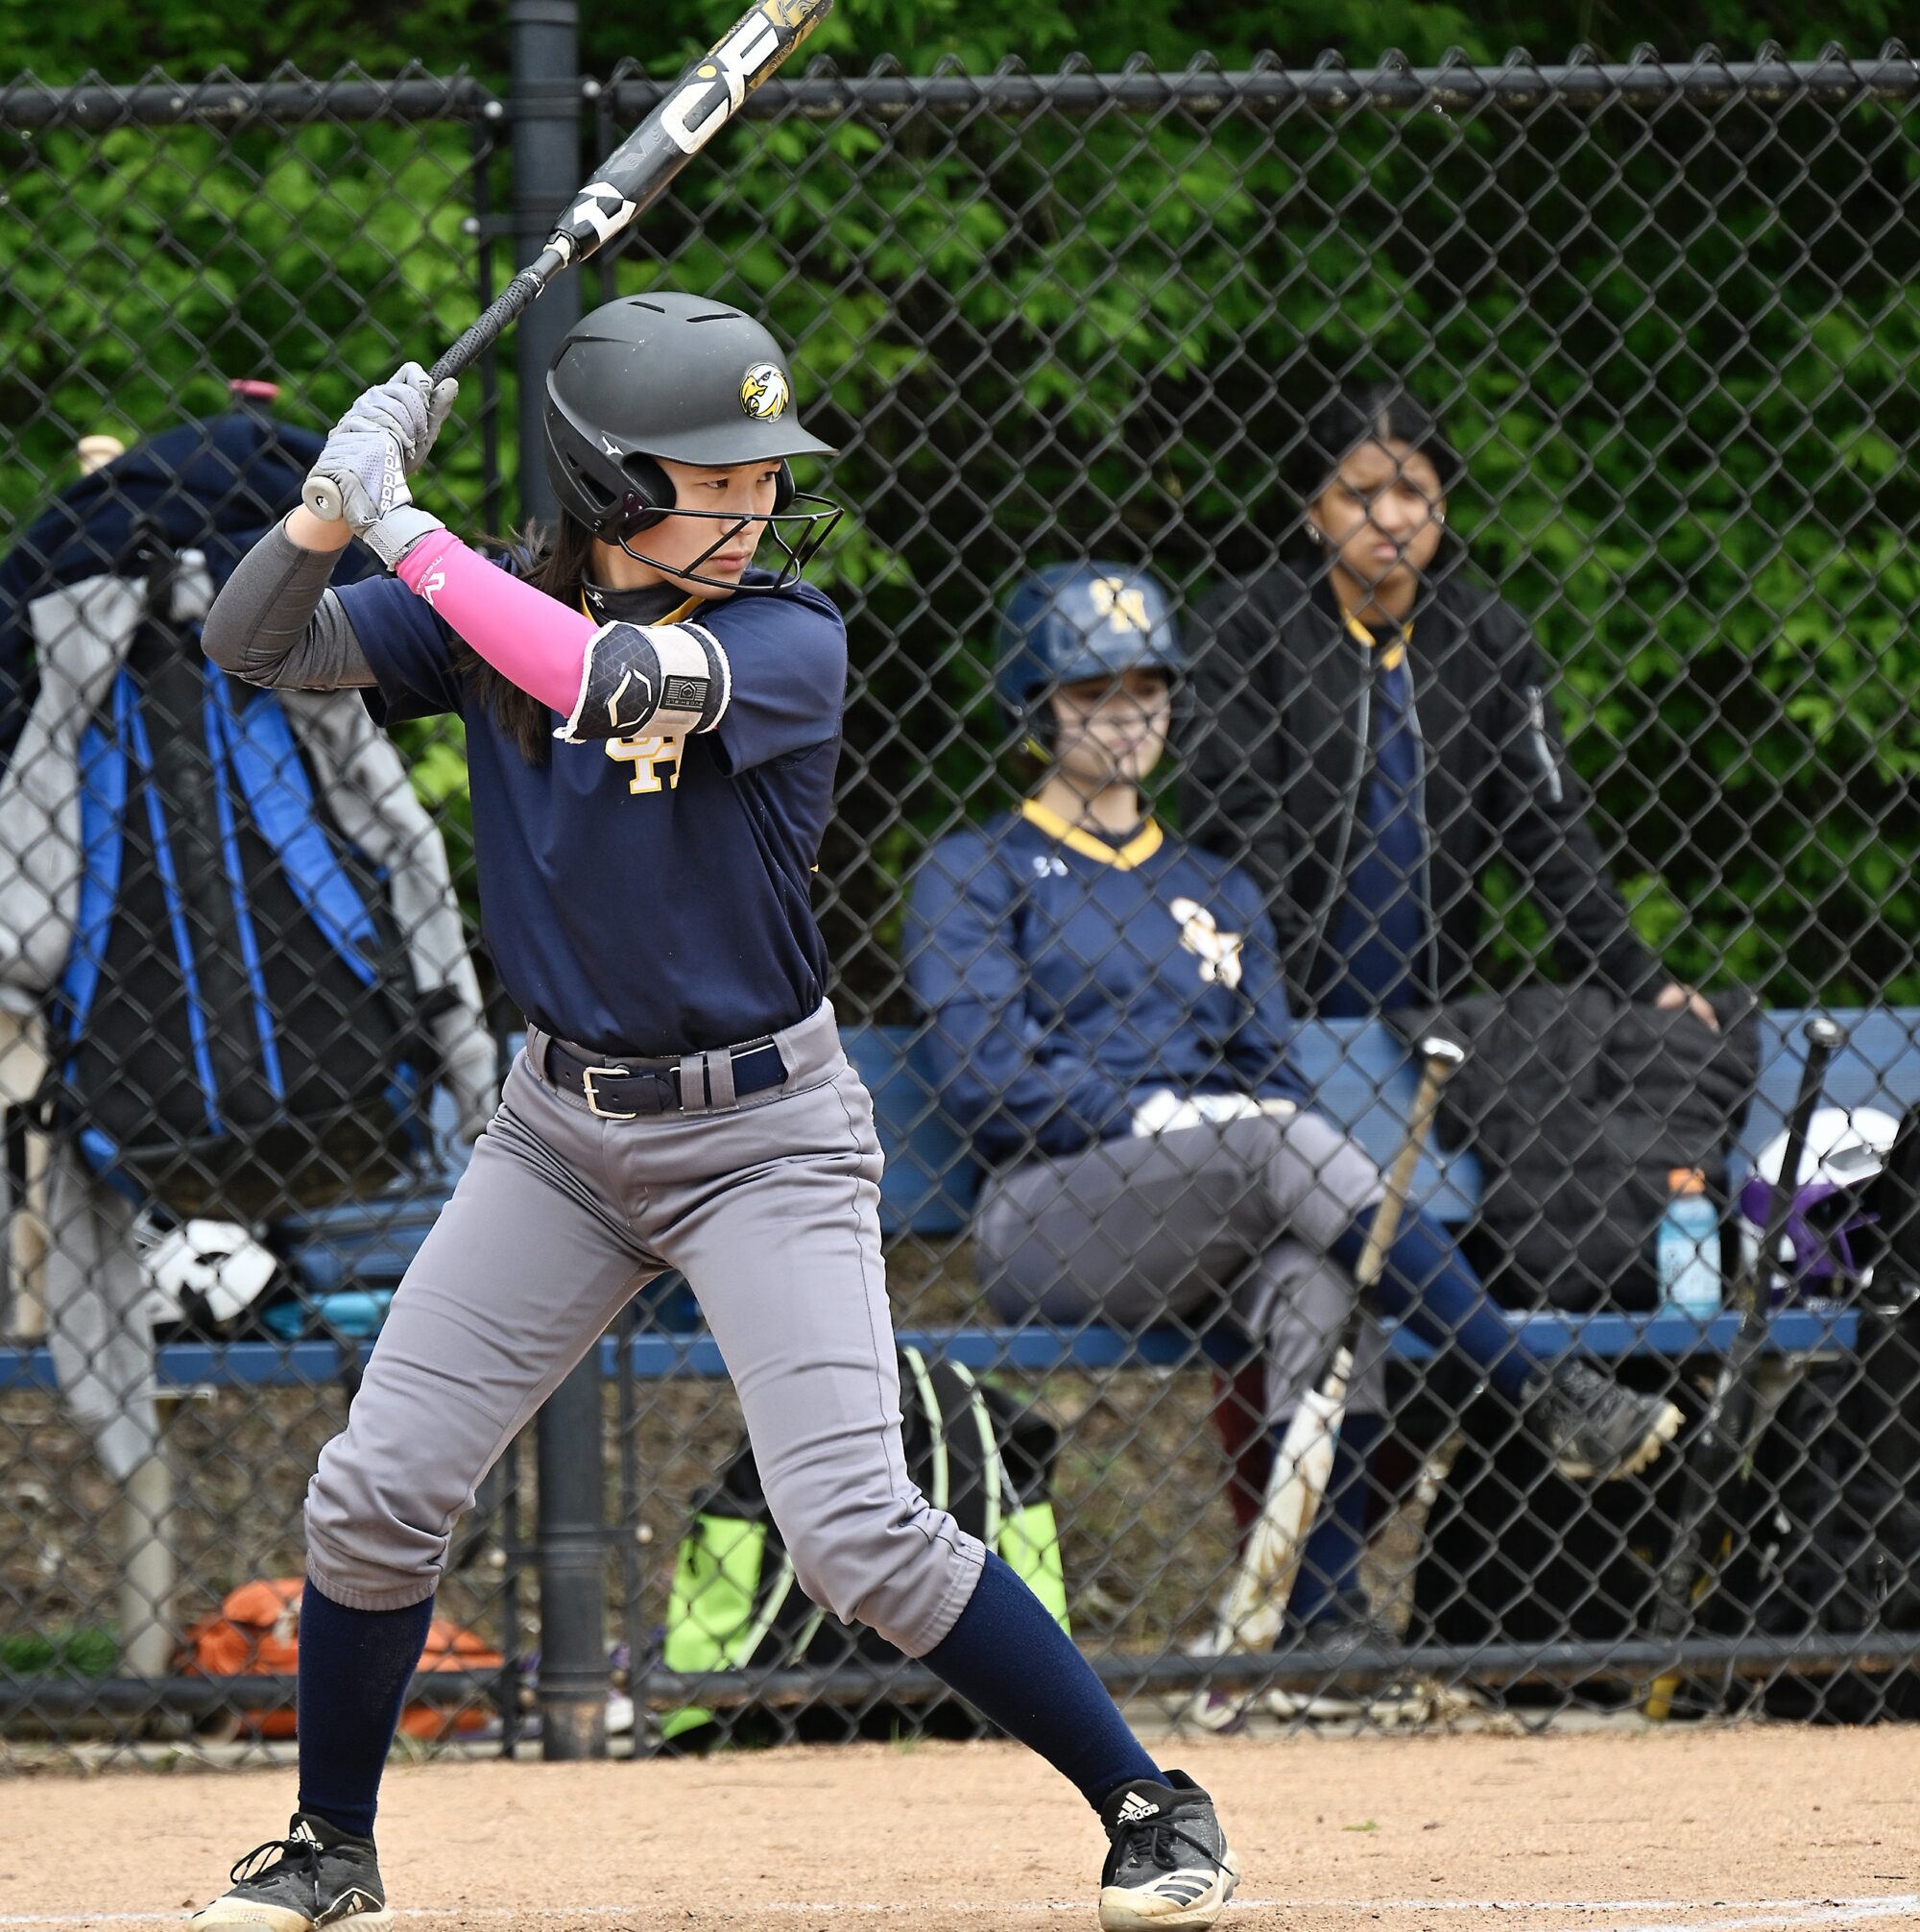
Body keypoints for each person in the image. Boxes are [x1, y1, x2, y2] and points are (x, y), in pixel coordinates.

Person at [192, 299, 1238, 1932]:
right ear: (611, 487)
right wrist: (328, 510)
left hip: (766, 1136)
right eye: (718, 476)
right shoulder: (490, 610)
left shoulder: (787, 642)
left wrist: (406, 527)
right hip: (559, 1134)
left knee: (854, 1529)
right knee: (377, 1488)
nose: (758, 504)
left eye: (768, 473)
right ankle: (330, 1843)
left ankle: (1152, 1802)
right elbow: (248, 643)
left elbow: (603, 682)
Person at [905, 563, 1685, 1652]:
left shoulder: (1217, 886)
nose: (1127, 714)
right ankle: (1531, 1383)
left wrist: (1225, 1128)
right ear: (1034, 706)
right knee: (1278, 1150)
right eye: (1092, 691)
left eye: (1147, 687)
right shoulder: (975, 869)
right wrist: (1164, 1119)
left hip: (1231, 1205)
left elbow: (1273, 1071)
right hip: (1047, 1212)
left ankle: (1322, 1616)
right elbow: (989, 1077)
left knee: (1322, 1277)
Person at [1182, 383, 1716, 1028]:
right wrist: (1273, 985)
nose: (1391, 516)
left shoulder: (1490, 639)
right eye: (1359, 494)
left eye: (1413, 493)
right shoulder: (1245, 627)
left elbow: (1545, 824)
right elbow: (1239, 824)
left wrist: (1640, 980)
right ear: (1313, 510)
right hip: (1268, 1001)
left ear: (1443, 505)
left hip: (1434, 1014)